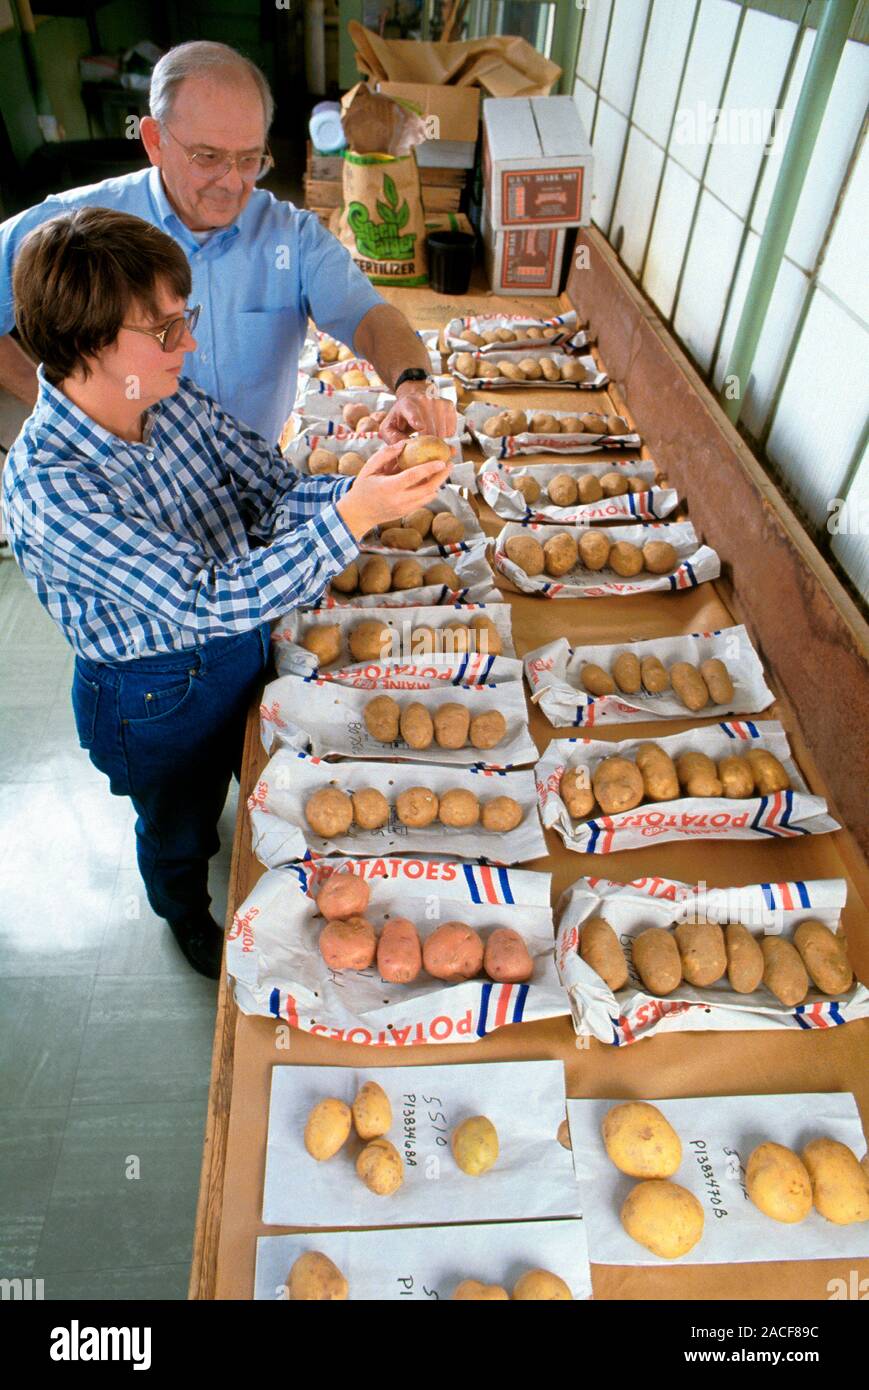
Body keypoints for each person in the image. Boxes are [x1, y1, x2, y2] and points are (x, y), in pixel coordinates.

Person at [1, 206, 452, 978]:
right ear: (87, 345)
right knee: (178, 819)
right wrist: (351, 521)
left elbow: (273, 494)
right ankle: (183, 909)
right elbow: (206, 597)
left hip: (240, 645)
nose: (192, 344)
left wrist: (359, 486)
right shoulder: (50, 487)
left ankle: (261, 864)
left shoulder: (168, 399)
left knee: (261, 781)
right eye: (166, 330)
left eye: (188, 319)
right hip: (153, 694)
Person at [0, 39, 455, 446]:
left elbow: (369, 317)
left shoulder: (290, 237)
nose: (231, 182)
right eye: (209, 157)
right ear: (155, 140)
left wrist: (413, 384)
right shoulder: (77, 228)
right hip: (122, 489)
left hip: (250, 487)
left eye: (250, 158)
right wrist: (54, 403)